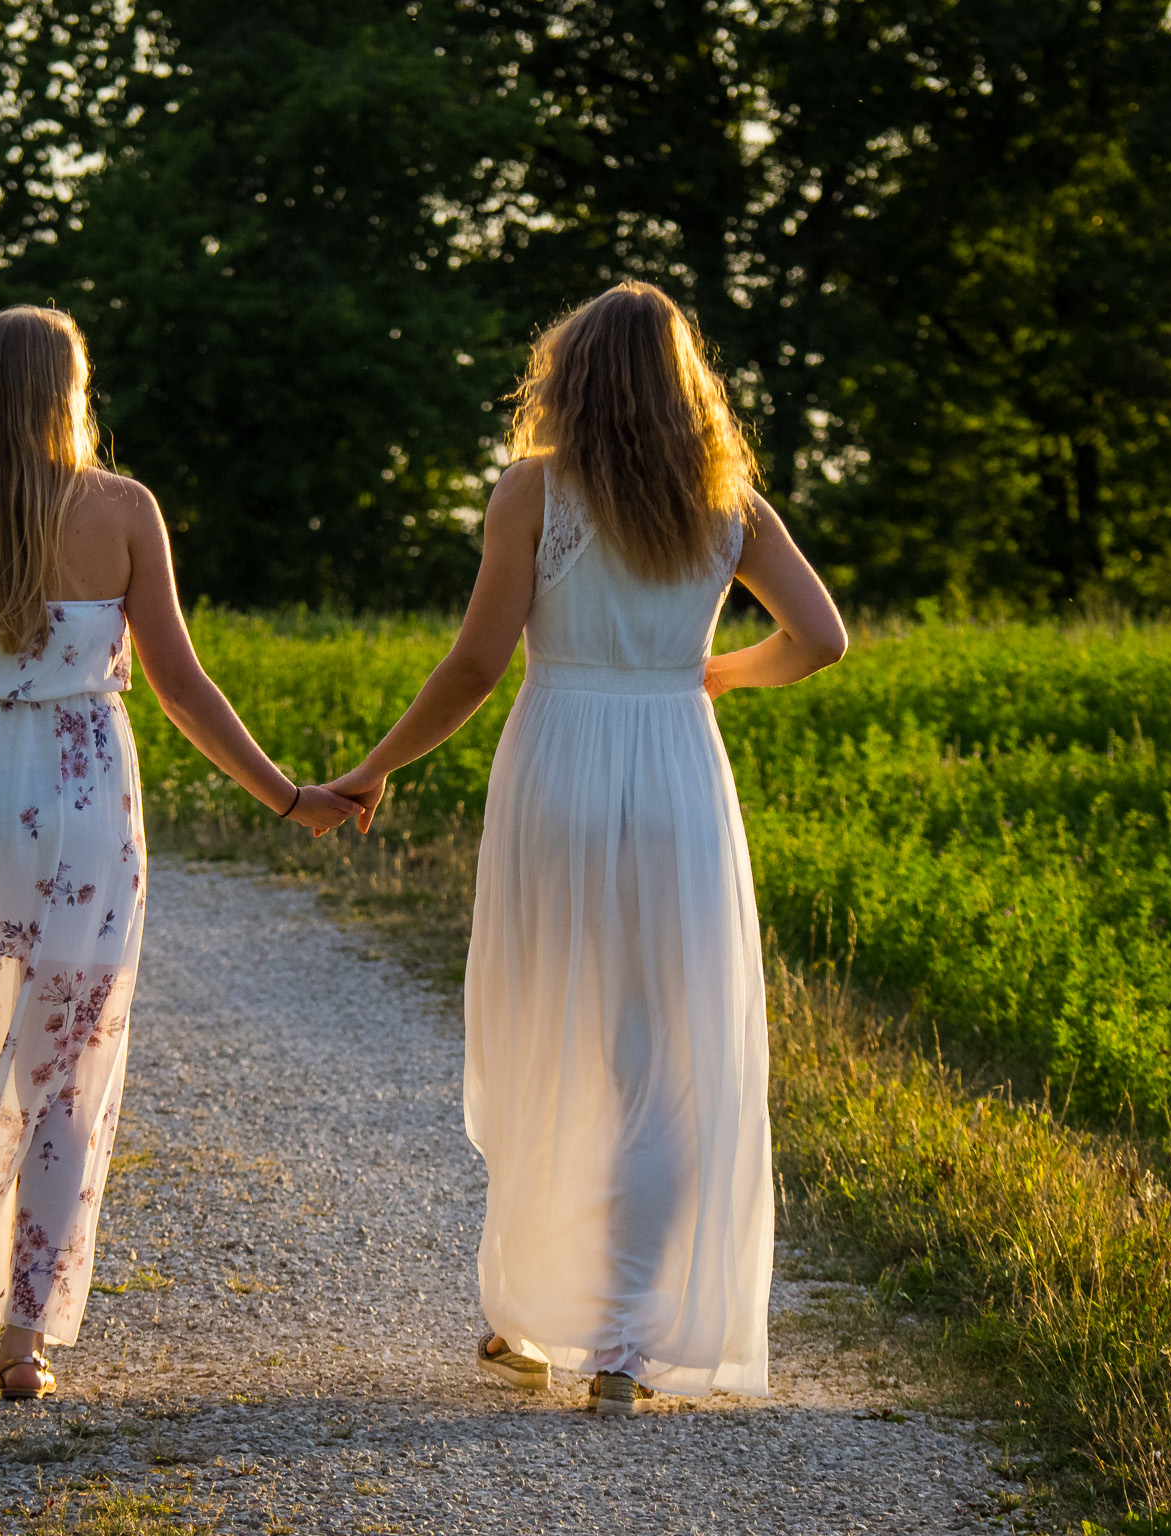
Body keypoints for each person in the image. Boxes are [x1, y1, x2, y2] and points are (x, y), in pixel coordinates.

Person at [327, 282, 846, 1414]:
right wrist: (713, 672)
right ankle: (622, 1348)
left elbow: (473, 665)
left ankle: (530, 1317)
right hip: (675, 767)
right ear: (683, 383)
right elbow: (819, 639)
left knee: (545, 1036)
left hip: (557, 761)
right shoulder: (728, 503)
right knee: (664, 1058)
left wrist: (373, 766)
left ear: (566, 378)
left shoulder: (533, 490)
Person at [0, 306, 358, 1399]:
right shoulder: (121, 510)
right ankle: (24, 1336)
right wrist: (287, 796)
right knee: (67, 1063)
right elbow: (180, 684)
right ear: (65, 393)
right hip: (80, 801)